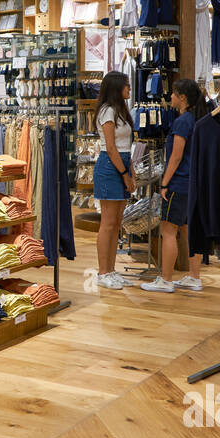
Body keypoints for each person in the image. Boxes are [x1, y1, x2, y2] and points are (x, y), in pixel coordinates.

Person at [143, 77, 207, 293]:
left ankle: (167, 279)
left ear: (182, 98)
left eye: (173, 94)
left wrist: (165, 183)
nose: (169, 97)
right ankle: (194, 276)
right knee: (189, 231)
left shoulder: (182, 122)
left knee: (168, 231)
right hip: (193, 184)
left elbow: (176, 157)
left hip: (178, 183)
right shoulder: (197, 120)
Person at [92, 70, 136, 290]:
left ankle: (111, 269)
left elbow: (126, 146)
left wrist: (131, 172)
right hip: (110, 167)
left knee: (117, 223)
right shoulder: (107, 111)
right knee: (108, 224)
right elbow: (110, 147)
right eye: (126, 85)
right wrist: (124, 174)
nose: (129, 88)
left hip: (122, 164)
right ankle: (102, 272)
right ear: (116, 88)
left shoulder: (121, 111)